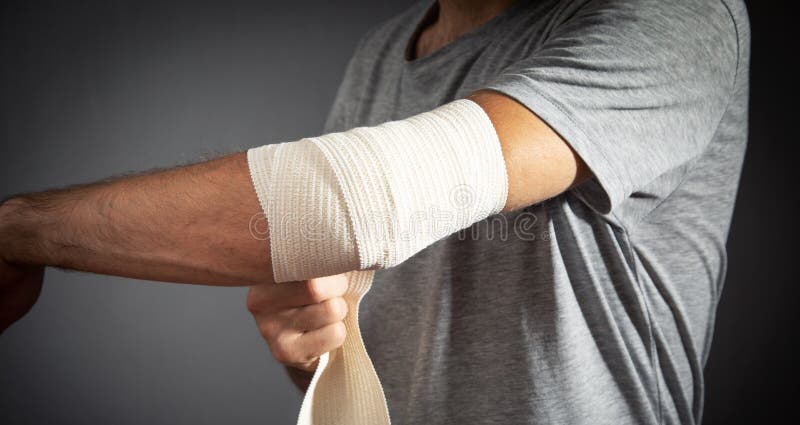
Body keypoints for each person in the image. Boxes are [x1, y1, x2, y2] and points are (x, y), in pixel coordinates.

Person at [0, 0, 749, 423]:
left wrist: (20, 229)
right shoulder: (385, 51)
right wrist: (317, 351)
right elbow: (335, 270)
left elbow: (349, 199)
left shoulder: (674, 18)